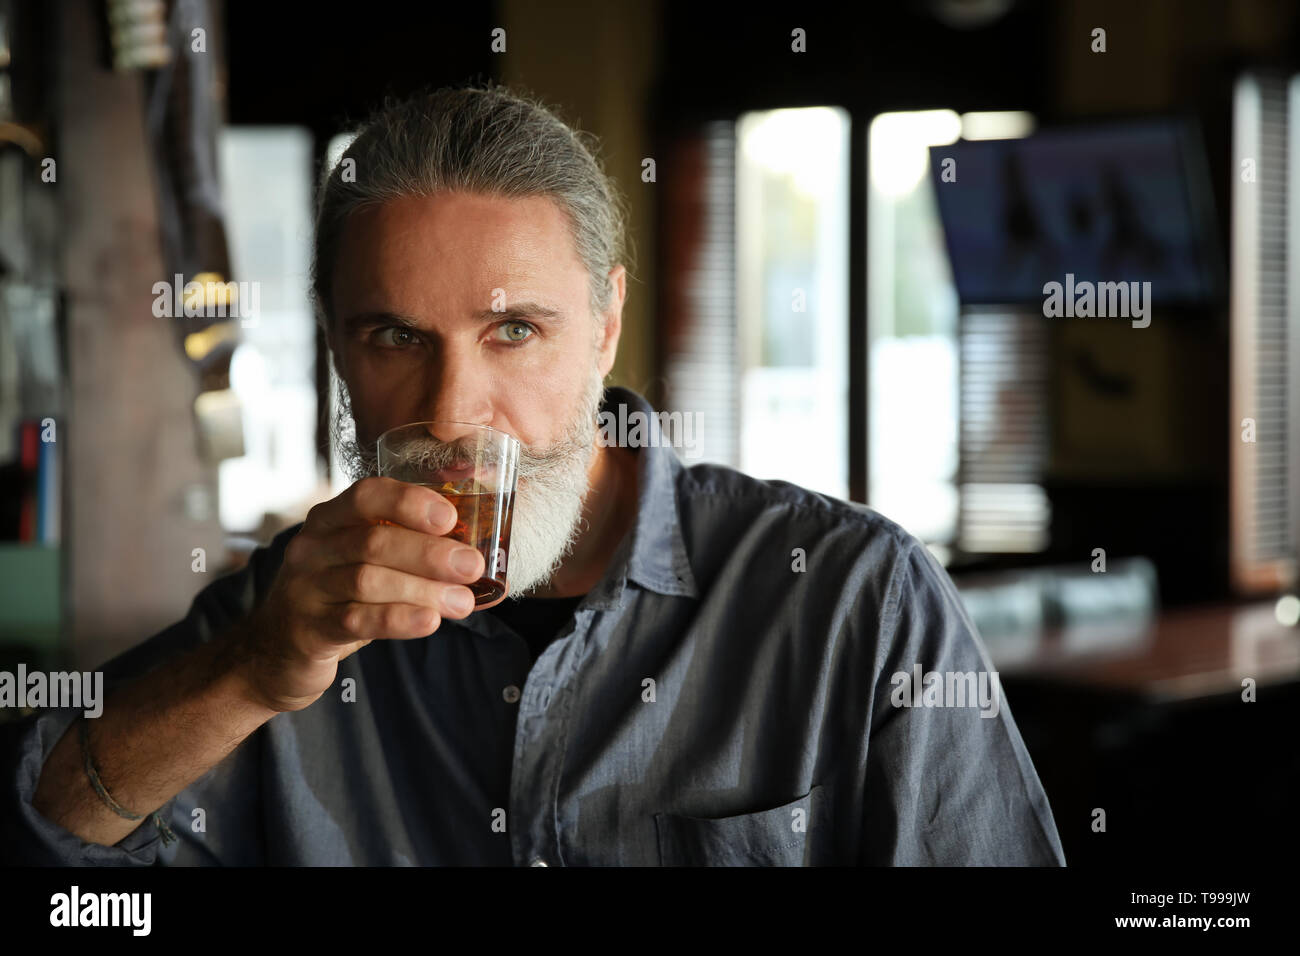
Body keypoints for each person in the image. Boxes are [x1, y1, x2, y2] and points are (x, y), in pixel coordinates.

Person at [2, 81, 1065, 866]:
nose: (453, 410)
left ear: (605, 322)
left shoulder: (849, 596)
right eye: (393, 336)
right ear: (334, 344)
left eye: (512, 328)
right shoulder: (284, 614)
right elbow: (46, 840)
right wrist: (247, 672)